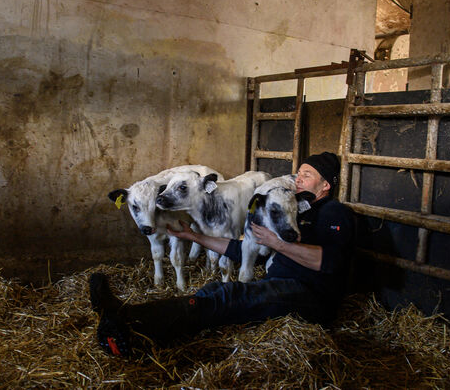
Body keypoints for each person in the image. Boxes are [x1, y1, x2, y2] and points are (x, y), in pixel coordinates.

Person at [89, 152, 355, 357]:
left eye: (306, 175)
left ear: (325, 186)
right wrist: (194, 237)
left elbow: (331, 262)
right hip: (279, 285)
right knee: (216, 291)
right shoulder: (293, 209)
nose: (297, 178)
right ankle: (130, 320)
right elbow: (245, 250)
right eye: (298, 173)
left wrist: (279, 243)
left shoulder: (334, 213)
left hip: (309, 295)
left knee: (229, 296)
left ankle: (130, 328)